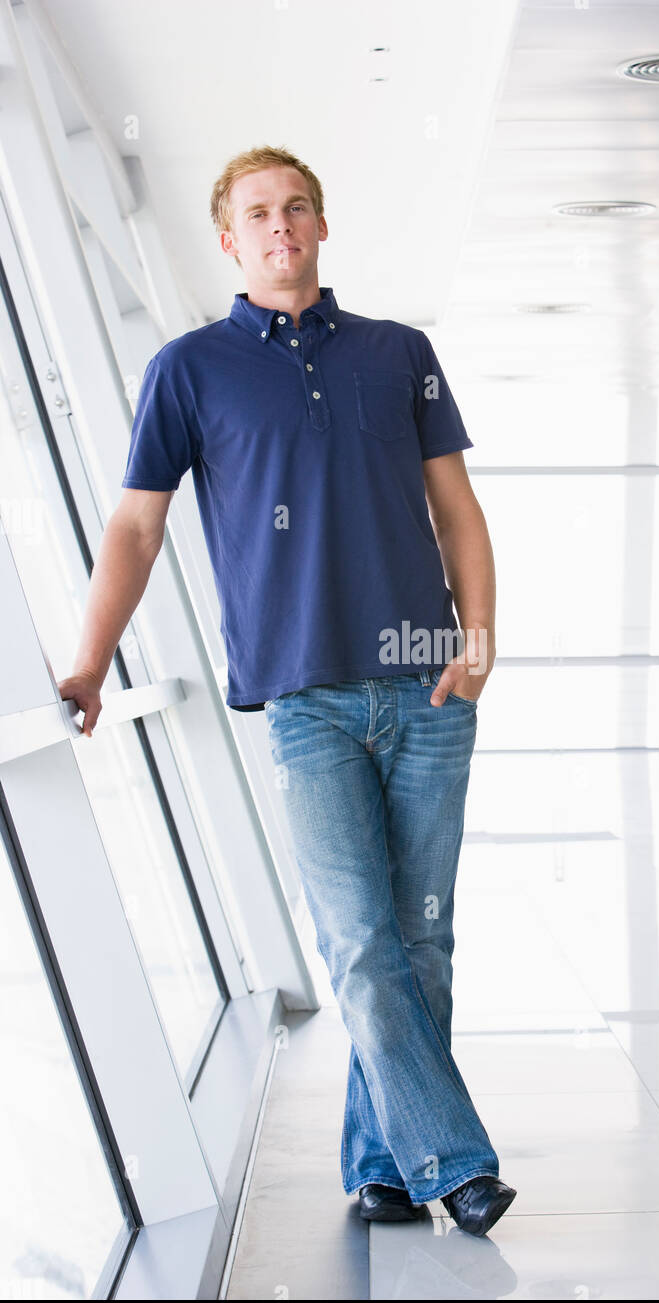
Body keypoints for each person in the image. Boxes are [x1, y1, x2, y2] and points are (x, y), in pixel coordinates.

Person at [59, 144, 516, 1239]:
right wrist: (89, 659)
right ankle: (455, 1162)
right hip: (302, 697)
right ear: (229, 238)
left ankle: (384, 1167)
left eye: (296, 208)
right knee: (358, 939)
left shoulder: (397, 353)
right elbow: (135, 523)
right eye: (257, 214)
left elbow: (454, 507)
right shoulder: (188, 368)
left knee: (419, 940)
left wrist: (479, 638)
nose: (280, 227)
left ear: (320, 224)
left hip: (426, 684)